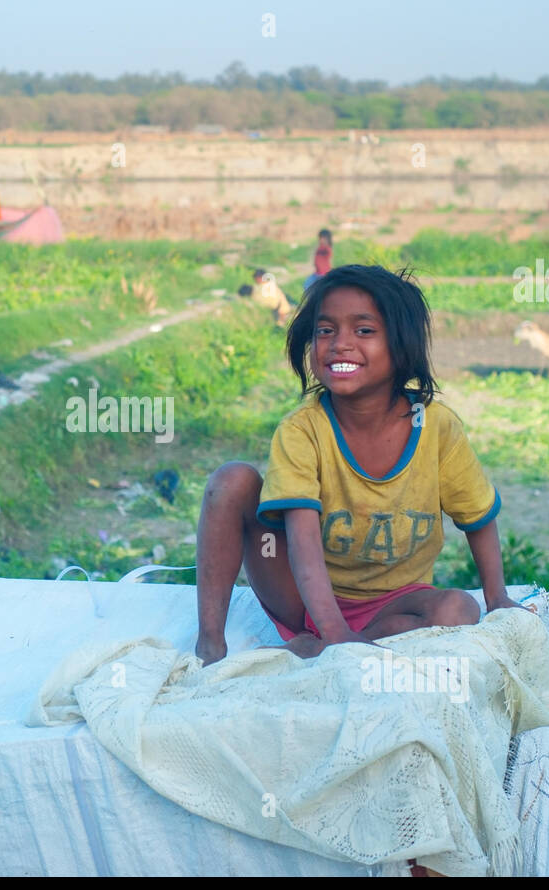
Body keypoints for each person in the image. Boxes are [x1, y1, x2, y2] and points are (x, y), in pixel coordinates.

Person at [194, 264, 524, 666]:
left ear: (400, 346)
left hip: (392, 603)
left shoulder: (436, 427)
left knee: (457, 610)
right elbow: (302, 540)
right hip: (299, 595)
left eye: (364, 331)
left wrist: (497, 597)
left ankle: (336, 644)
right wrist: (332, 631)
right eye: (325, 330)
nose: (340, 344)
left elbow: (477, 516)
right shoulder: (303, 430)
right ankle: (210, 646)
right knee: (231, 480)